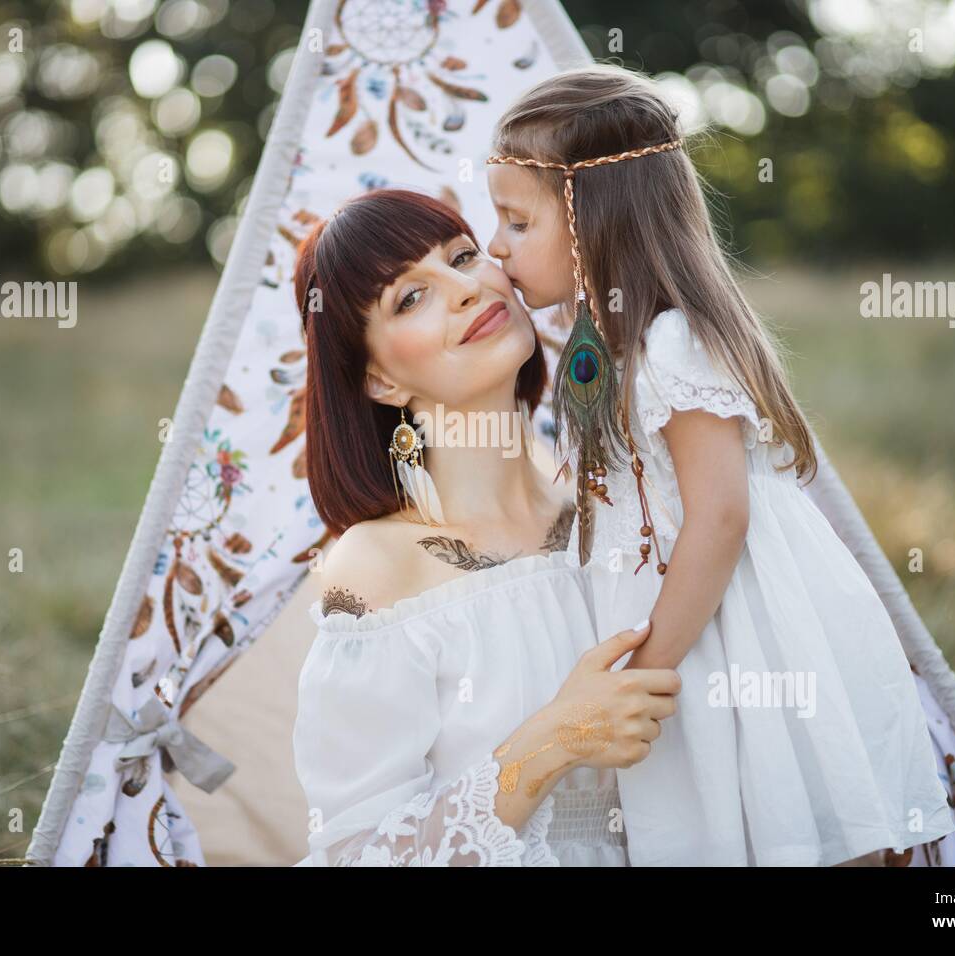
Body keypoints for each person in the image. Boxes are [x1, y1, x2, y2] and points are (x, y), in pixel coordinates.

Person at [483, 64, 955, 866]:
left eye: (515, 222)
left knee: (779, 799)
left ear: (591, 217)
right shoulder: (598, 347)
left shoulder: (672, 344)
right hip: (675, 630)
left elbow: (721, 514)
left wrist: (645, 674)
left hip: (730, 634)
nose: (495, 244)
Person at [289, 187, 681, 866]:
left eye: (464, 256)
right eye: (409, 298)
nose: (464, 289)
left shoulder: (622, 500)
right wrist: (554, 740)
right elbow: (356, 854)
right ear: (379, 379)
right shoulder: (376, 570)